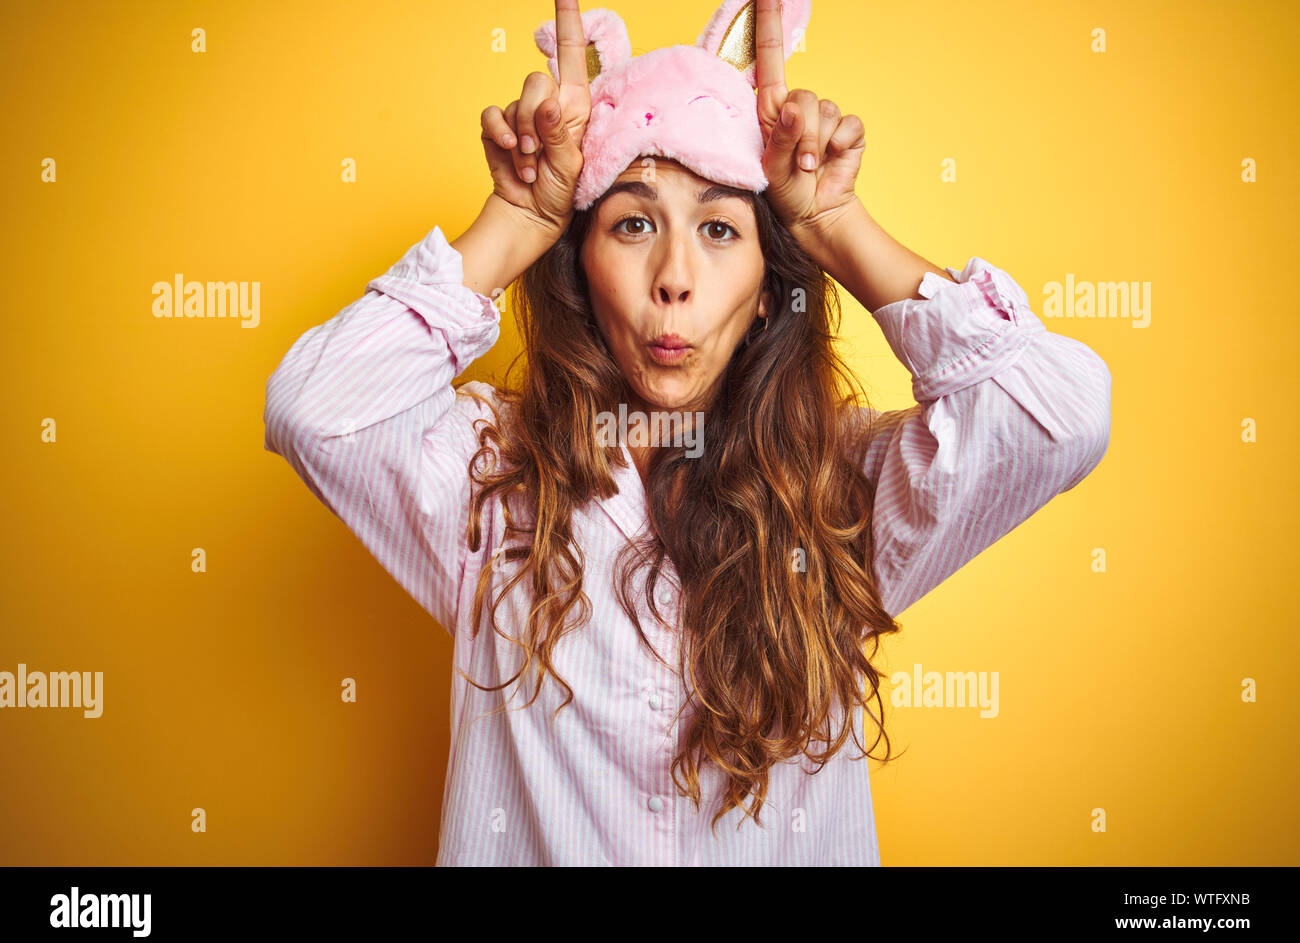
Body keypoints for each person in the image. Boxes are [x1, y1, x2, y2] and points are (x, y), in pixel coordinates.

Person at [263, 0, 1111, 865]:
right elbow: (314, 408)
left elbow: (1059, 414)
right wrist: (514, 222)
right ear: (578, 262)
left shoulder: (840, 491)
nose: (674, 278)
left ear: (767, 280)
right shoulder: (493, 478)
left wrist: (833, 226)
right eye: (633, 223)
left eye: (718, 228)